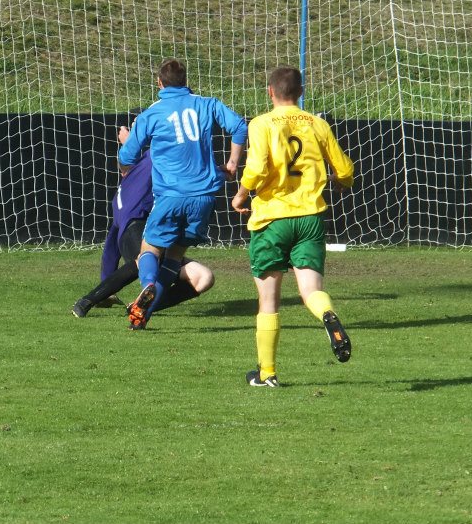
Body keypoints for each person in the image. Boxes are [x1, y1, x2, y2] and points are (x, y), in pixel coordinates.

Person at [231, 67, 355, 388]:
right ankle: (327, 314)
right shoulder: (317, 123)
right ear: (300, 92)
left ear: (270, 92)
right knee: (311, 291)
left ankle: (267, 373)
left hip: (273, 219)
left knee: (269, 302)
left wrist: (241, 195)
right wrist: (341, 182)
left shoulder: (260, 124)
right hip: (310, 218)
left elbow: (257, 167)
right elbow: (344, 169)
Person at [117, 58, 248, 330]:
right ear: (186, 81)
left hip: (171, 196)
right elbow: (239, 127)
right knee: (174, 258)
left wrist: (127, 164)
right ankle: (142, 315)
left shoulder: (152, 113)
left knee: (149, 250)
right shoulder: (206, 104)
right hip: (204, 198)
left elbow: (127, 155)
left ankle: (148, 285)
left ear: (159, 83)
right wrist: (233, 164)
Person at [72, 150, 215, 318]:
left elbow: (111, 248)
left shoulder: (126, 191)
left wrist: (106, 285)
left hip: (141, 239)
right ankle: (86, 302)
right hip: (137, 233)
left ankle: (138, 307)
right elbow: (160, 146)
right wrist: (131, 139)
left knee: (204, 277)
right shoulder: (145, 167)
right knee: (145, 258)